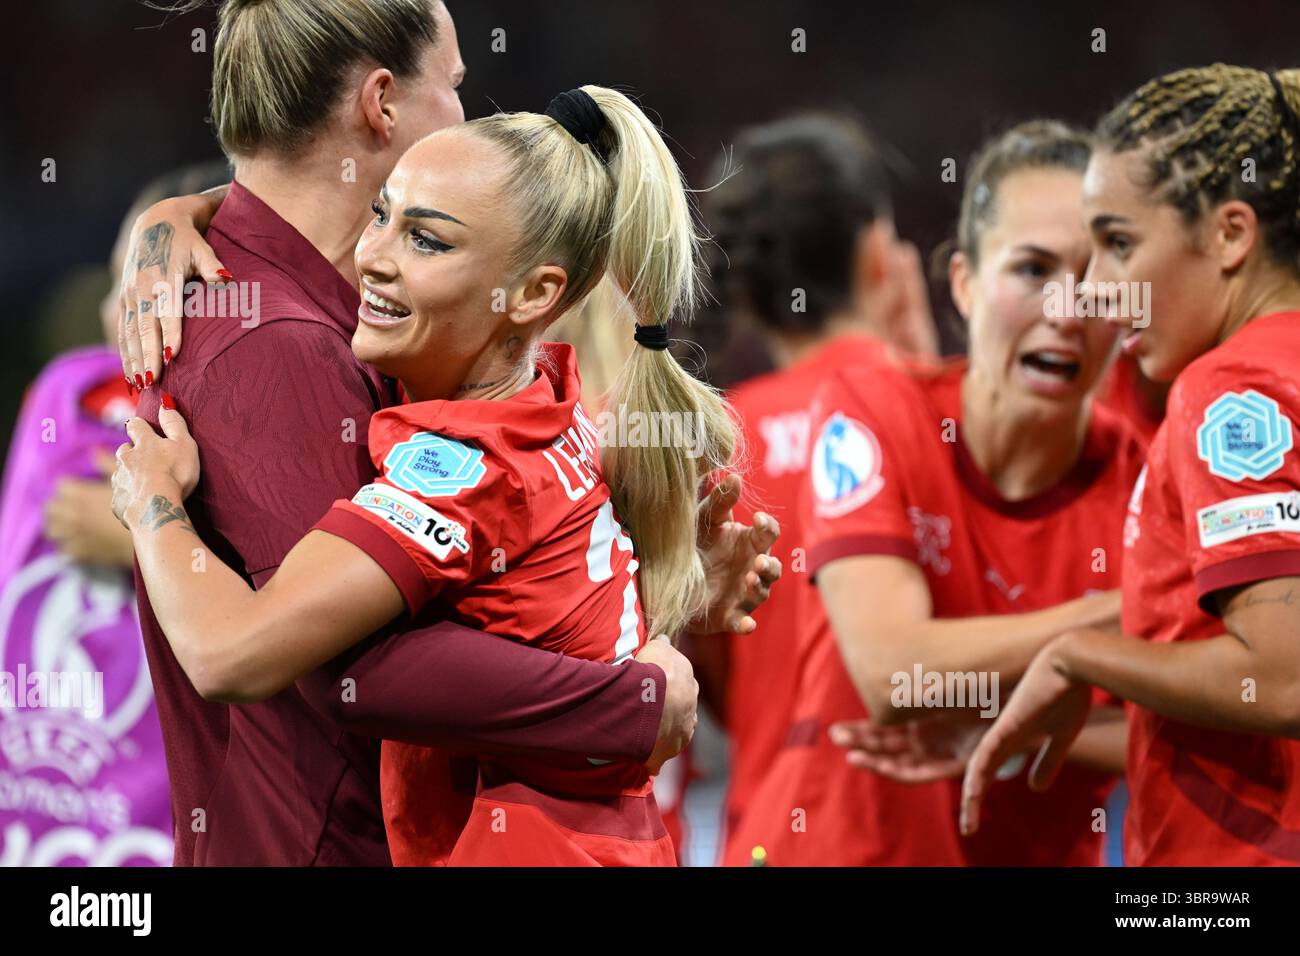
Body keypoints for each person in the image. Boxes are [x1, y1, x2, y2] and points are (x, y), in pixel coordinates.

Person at [113, 0, 777, 865]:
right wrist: (627, 698)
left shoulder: (410, 361)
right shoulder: (287, 345)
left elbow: (440, 610)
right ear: (382, 103)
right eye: (456, 85)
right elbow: (342, 664)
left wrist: (648, 622)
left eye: (423, 233)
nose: (464, 113)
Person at [726, 120, 1144, 866]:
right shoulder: (874, 412)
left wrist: (1016, 725)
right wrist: (1128, 612)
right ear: (963, 281)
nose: (1068, 310)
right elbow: (894, 674)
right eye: (1033, 269)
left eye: (1096, 277)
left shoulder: (1150, 483)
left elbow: (1192, 719)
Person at [963, 65, 1300, 867]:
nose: (1098, 294)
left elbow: (1283, 677)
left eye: (1118, 245)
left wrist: (1079, 655)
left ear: (1229, 235)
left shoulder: (1232, 389)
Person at [688, 112, 935, 860]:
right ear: (875, 253)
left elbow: (713, 676)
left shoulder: (718, 443)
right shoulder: (948, 416)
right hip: (922, 837)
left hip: (768, 833)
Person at [0, 165, 222, 867]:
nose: (125, 305)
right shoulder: (65, 392)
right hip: (35, 781)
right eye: (125, 276)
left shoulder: (243, 427)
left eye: (160, 286)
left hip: (159, 800)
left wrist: (138, 536)